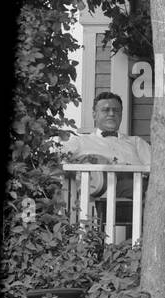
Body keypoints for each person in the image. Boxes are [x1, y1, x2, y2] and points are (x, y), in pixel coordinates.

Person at [62, 91, 152, 224]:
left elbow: (158, 167)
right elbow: (58, 162)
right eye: (105, 110)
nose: (111, 114)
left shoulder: (136, 142)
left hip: (135, 189)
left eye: (116, 110)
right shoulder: (79, 142)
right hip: (97, 192)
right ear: (94, 114)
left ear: (121, 114)